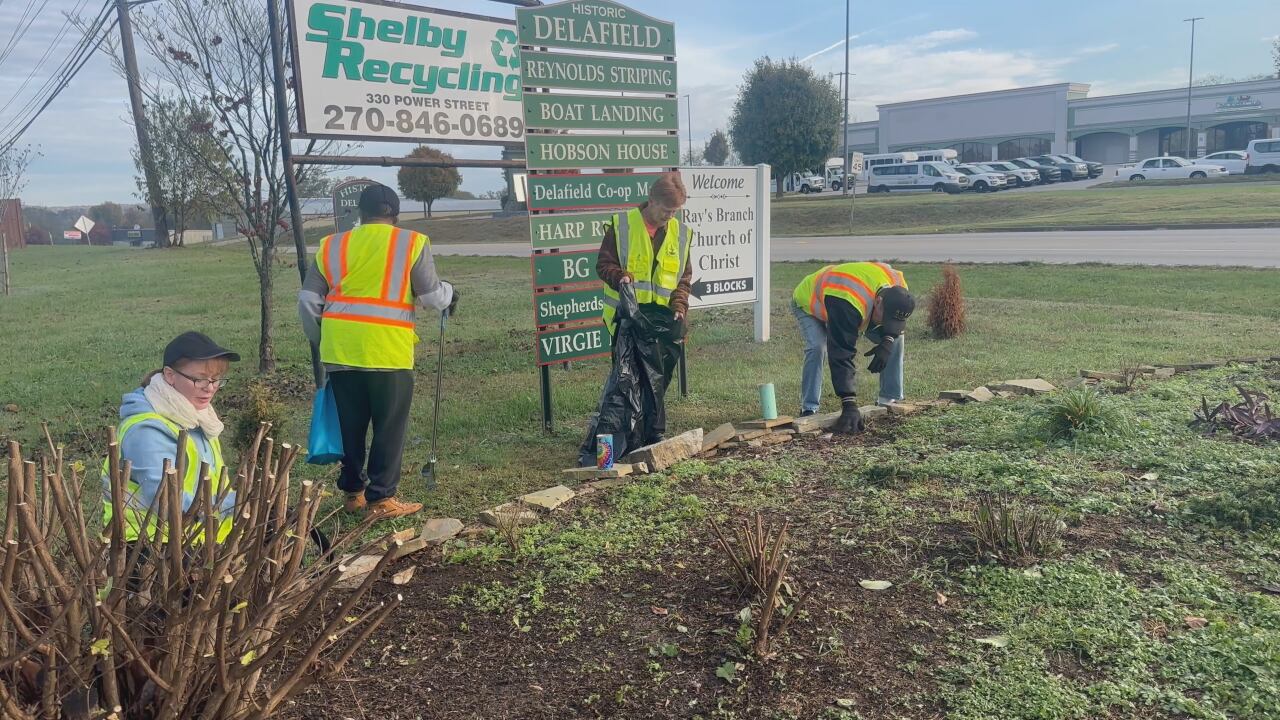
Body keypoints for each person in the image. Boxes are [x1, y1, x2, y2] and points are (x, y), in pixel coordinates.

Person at [298, 183, 457, 521]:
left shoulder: (332, 245)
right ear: (395, 215)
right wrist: (450, 293)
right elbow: (430, 297)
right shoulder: (411, 242)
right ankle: (382, 498)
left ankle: (353, 493)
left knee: (350, 425)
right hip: (388, 351)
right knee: (388, 426)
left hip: (341, 352)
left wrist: (323, 340)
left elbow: (308, 301)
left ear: (359, 212)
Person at [104, 331, 239, 542]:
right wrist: (238, 503)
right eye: (200, 379)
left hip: (202, 545)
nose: (210, 388)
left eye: (216, 380)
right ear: (169, 375)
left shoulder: (198, 417)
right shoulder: (146, 431)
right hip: (154, 552)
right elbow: (166, 504)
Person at [595, 171, 693, 444]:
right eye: (666, 210)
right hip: (628, 321)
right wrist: (620, 276)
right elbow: (603, 265)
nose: (670, 217)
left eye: (675, 211)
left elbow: (683, 278)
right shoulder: (623, 226)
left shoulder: (679, 234)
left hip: (662, 322)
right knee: (626, 382)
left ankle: (652, 435)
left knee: (657, 381)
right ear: (652, 200)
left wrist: (679, 305)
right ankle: (625, 436)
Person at [791, 262, 915, 433]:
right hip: (812, 302)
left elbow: (895, 326)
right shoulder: (848, 301)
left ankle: (889, 399)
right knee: (818, 346)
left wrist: (888, 340)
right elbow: (841, 350)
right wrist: (849, 403)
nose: (884, 324)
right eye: (885, 318)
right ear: (878, 301)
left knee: (898, 339)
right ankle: (809, 409)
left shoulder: (899, 289)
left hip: (846, 300)